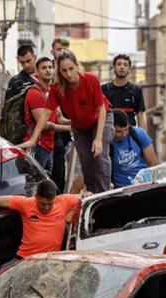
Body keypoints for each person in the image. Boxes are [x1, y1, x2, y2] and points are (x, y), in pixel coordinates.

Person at [0, 180, 83, 262]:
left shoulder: (64, 201)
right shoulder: (25, 203)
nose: (47, 207)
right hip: (24, 260)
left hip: (49, 261)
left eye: (50, 204)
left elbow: (85, 196)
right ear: (36, 197)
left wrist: (87, 194)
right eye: (43, 204)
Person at [41, 49, 114, 194]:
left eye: (71, 69)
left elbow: (102, 109)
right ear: (59, 71)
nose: (68, 74)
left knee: (99, 157)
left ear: (77, 65)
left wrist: (98, 139)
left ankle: (104, 193)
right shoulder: (57, 88)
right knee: (86, 163)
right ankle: (93, 194)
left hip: (100, 118)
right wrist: (33, 138)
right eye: (64, 70)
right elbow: (46, 113)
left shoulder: (90, 80)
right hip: (80, 126)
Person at [22, 56, 70, 174]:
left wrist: (75, 121)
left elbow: (60, 119)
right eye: (44, 68)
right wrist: (69, 128)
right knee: (34, 184)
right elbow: (43, 125)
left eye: (50, 67)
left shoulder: (53, 92)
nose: (48, 70)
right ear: (37, 72)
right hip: (37, 146)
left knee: (46, 184)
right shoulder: (34, 93)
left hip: (49, 146)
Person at [110, 109, 158, 187]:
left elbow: (153, 164)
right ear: (110, 128)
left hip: (144, 185)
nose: (124, 134)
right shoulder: (106, 144)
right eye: (119, 131)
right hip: (121, 189)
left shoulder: (139, 134)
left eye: (126, 130)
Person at [102, 54, 147, 129]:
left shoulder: (136, 90)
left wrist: (143, 138)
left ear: (129, 69)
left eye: (125, 65)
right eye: (119, 64)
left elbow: (140, 115)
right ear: (114, 68)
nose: (122, 67)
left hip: (130, 133)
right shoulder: (104, 89)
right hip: (110, 134)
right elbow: (100, 114)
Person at [51, 38, 72, 192]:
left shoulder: (72, 72)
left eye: (64, 49)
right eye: (58, 49)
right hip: (54, 130)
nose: (61, 52)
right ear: (53, 51)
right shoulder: (48, 70)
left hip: (69, 129)